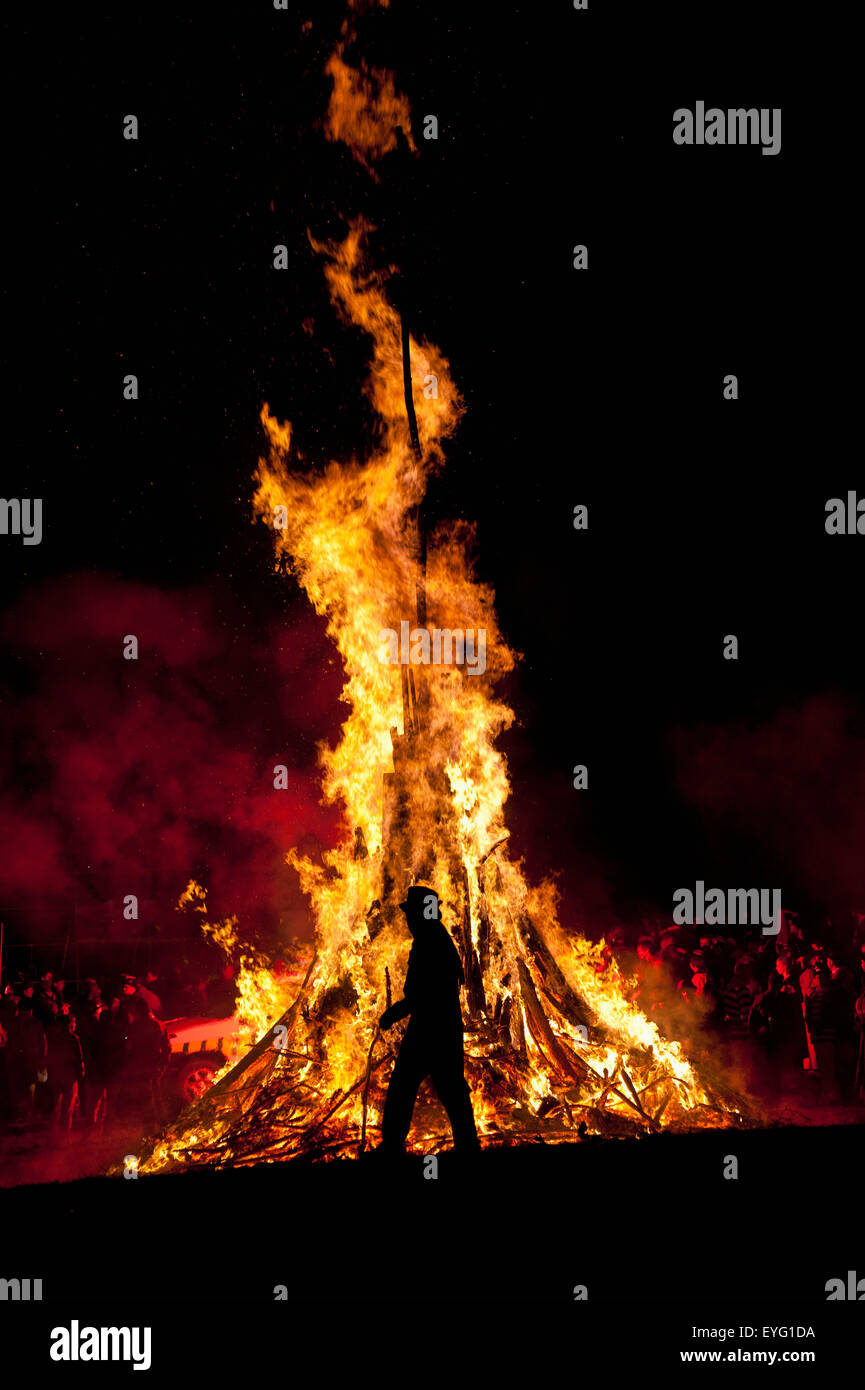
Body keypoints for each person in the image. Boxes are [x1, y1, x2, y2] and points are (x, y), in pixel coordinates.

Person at [379, 886, 479, 1157]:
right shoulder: (438, 937)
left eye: (411, 914)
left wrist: (393, 1014)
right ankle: (469, 1148)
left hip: (429, 1028)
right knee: (451, 1088)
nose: (408, 920)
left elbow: (421, 994)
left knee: (404, 1084)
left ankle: (391, 1149)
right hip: (444, 1027)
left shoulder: (428, 942)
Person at [46, 1008, 85, 1134]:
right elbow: (78, 1058)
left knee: (55, 1107)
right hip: (69, 1077)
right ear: (69, 1024)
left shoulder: (51, 1037)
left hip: (55, 1075)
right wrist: (80, 1077)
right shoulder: (72, 1038)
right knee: (67, 1108)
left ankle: (52, 1137)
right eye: (73, 1022)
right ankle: (64, 1136)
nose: (74, 1025)